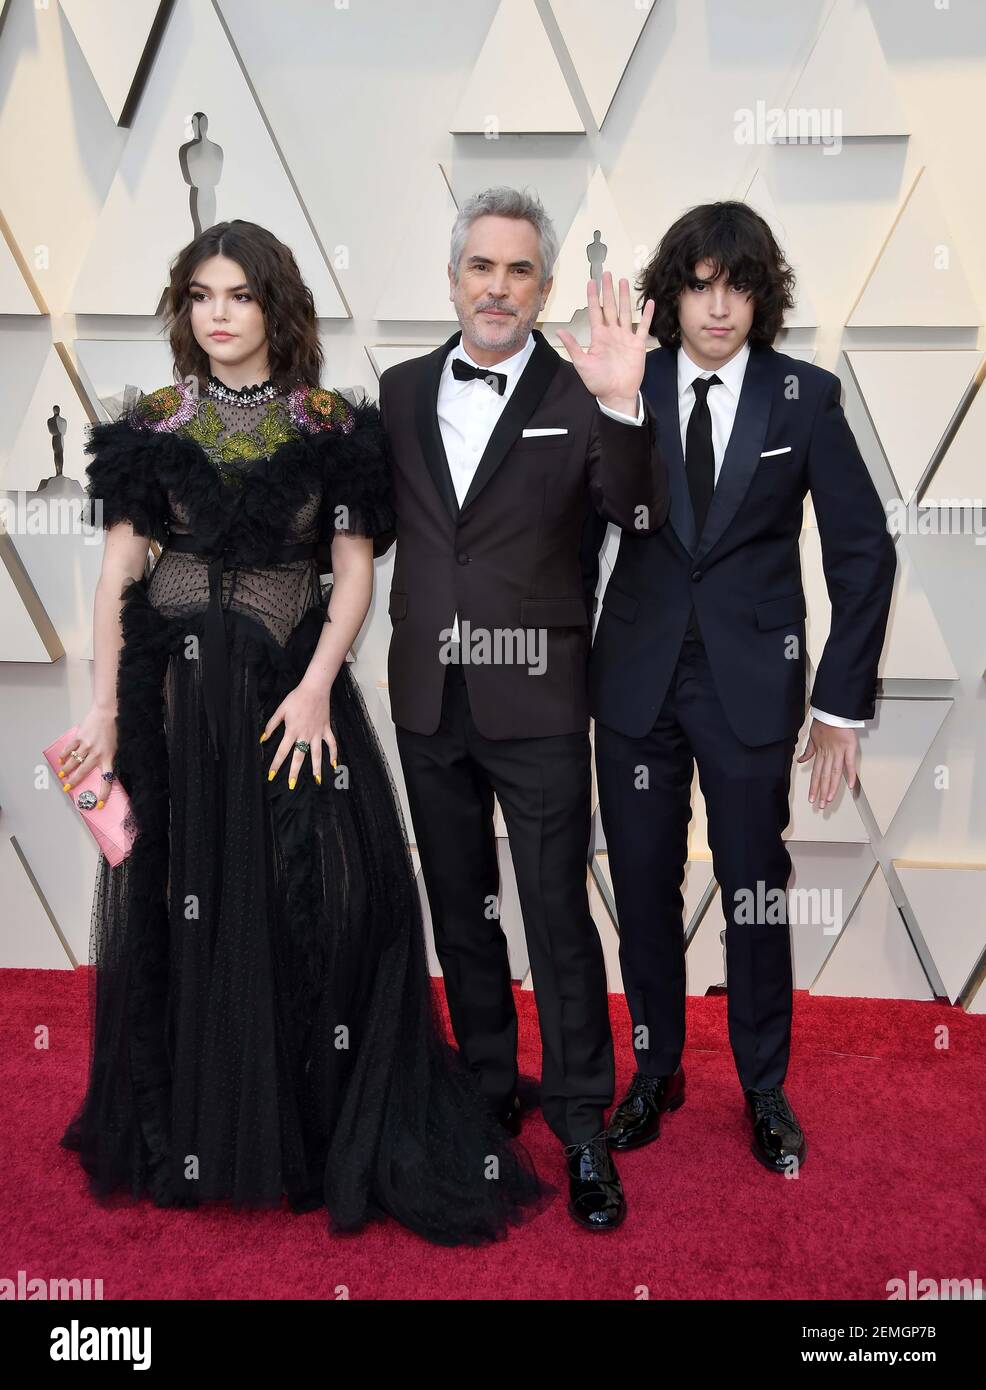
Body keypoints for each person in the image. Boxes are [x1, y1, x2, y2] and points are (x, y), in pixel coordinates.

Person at [59, 218, 552, 1246]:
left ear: (274, 304)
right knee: (183, 898)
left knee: (326, 897)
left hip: (289, 692)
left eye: (237, 295)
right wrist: (104, 707)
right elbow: (120, 571)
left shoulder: (331, 424)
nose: (218, 314)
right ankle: (192, 1120)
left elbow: (356, 568)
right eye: (200, 296)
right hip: (173, 701)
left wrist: (323, 683)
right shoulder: (152, 422)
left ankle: (310, 1112)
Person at [377, 187, 668, 1231]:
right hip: (426, 696)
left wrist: (627, 408)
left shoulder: (584, 387)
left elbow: (638, 516)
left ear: (543, 287)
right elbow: (365, 531)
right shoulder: (401, 390)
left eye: (517, 271)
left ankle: (582, 1120)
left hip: (540, 698)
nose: (496, 287)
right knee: (459, 911)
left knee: (553, 917)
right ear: (452, 277)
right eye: (479, 267)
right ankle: (491, 1088)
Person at [588, 200, 897, 1173]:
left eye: (737, 285)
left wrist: (838, 703)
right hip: (635, 679)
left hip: (749, 688)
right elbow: (597, 511)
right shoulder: (623, 384)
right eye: (698, 283)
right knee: (639, 886)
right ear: (670, 292)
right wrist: (612, 408)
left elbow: (860, 551)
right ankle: (653, 1071)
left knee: (754, 889)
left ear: (760, 297)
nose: (717, 305)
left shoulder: (802, 397)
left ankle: (763, 1087)